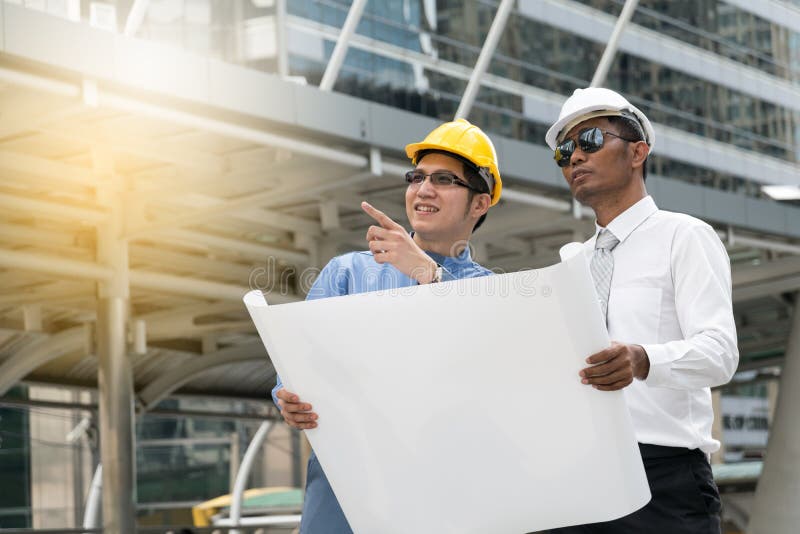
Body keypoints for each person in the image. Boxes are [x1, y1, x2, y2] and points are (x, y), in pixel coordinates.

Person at [271, 118, 503, 534]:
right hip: (341, 500)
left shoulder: (490, 291)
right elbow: (294, 363)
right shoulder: (346, 272)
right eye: (417, 177)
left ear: (480, 203)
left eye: (445, 179)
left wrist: (428, 275)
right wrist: (286, 396)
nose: (424, 189)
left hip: (440, 499)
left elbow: (486, 375)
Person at [545, 87, 739, 534]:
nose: (575, 157)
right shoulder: (571, 261)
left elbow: (720, 353)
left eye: (590, 140)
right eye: (565, 150)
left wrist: (643, 359)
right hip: (579, 476)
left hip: (664, 481)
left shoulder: (685, 237)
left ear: (638, 151)